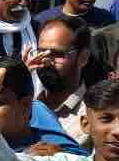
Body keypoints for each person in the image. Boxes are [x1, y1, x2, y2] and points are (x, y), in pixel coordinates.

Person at [32, 16, 92, 146]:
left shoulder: (95, 115)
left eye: (57, 54)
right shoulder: (25, 106)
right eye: (41, 52)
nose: (46, 61)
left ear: (83, 57)